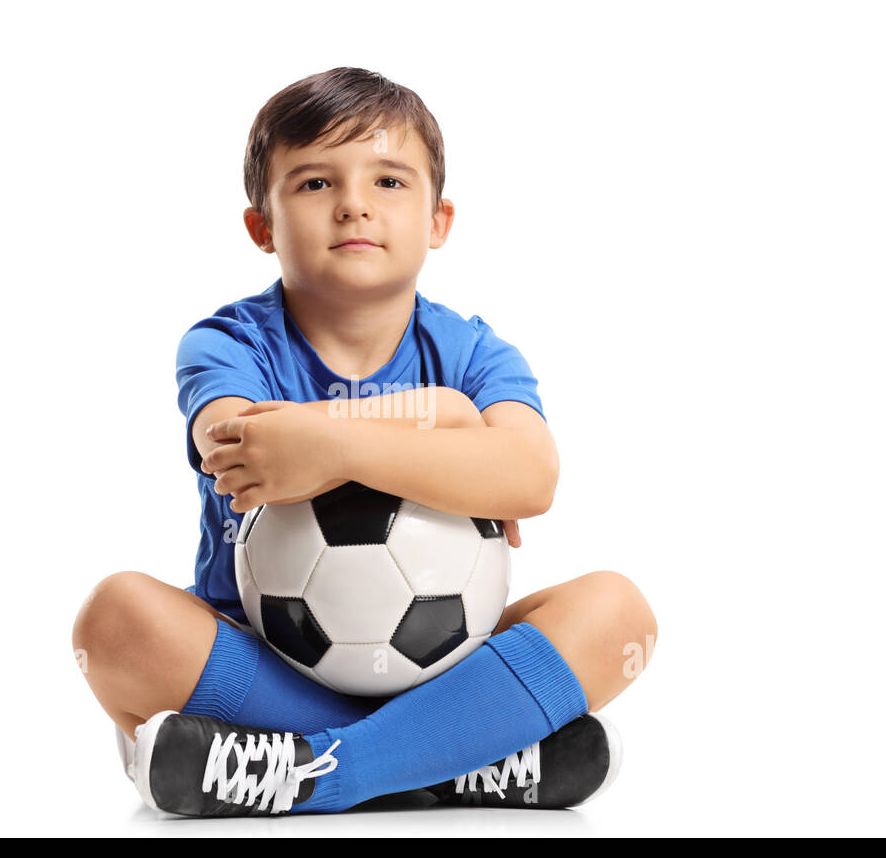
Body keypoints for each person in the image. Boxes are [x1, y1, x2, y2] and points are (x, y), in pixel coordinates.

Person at [72, 66, 658, 817]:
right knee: (114, 620)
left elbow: (532, 476)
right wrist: (444, 425)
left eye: (389, 181)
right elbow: (238, 444)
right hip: (265, 660)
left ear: (439, 219)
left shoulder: (476, 356)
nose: (354, 205)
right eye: (315, 184)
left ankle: (320, 772)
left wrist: (336, 447)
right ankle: (455, 760)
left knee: (618, 611)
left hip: (445, 662)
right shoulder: (226, 344)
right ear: (262, 225)